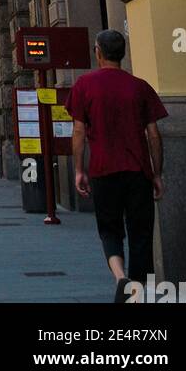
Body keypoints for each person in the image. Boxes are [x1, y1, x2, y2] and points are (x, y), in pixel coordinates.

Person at [67, 28, 167, 301]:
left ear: (98, 52)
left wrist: (79, 170)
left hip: (103, 169)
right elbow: (153, 134)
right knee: (141, 233)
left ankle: (120, 276)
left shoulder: (84, 85)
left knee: (109, 229)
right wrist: (157, 174)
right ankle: (136, 288)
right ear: (123, 54)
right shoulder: (140, 87)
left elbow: (78, 131)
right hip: (138, 171)